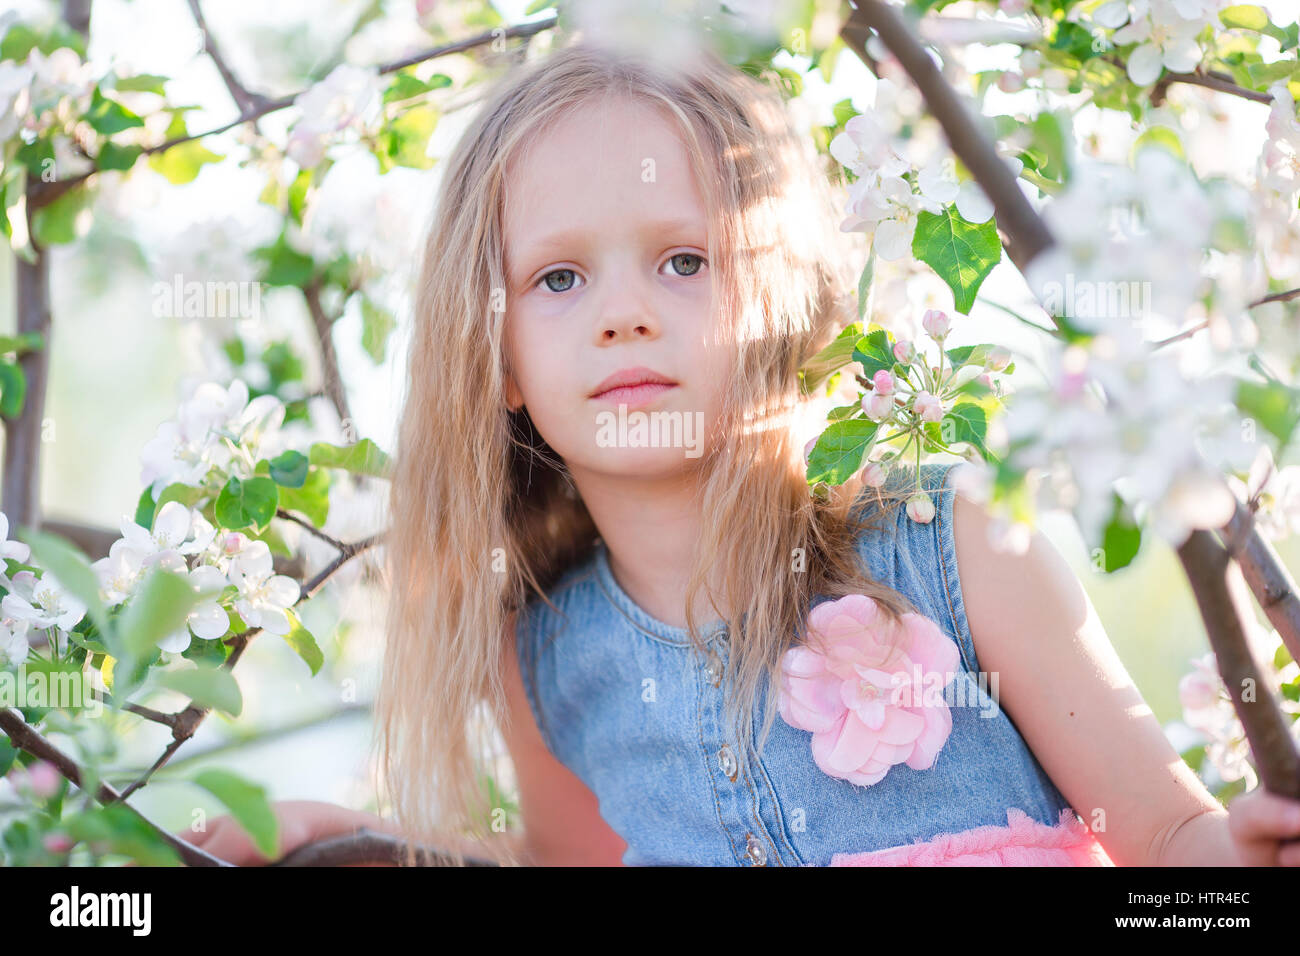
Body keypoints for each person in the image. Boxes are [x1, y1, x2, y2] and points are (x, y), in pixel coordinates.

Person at [188, 38, 1300, 867]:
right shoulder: (547, 654)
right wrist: (368, 832)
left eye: (683, 260)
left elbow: (1163, 838)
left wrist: (1234, 864)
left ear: (781, 299)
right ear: (500, 360)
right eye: (559, 279)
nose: (623, 312)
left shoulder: (946, 544)